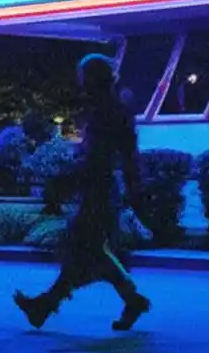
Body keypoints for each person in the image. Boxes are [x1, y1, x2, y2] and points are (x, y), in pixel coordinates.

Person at [13, 54, 152, 331]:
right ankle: (47, 305)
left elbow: (107, 156)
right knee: (85, 249)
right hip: (99, 187)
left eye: (84, 77)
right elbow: (123, 154)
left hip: (98, 189)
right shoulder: (109, 110)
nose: (81, 83)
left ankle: (47, 304)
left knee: (86, 248)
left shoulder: (107, 112)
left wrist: (69, 178)